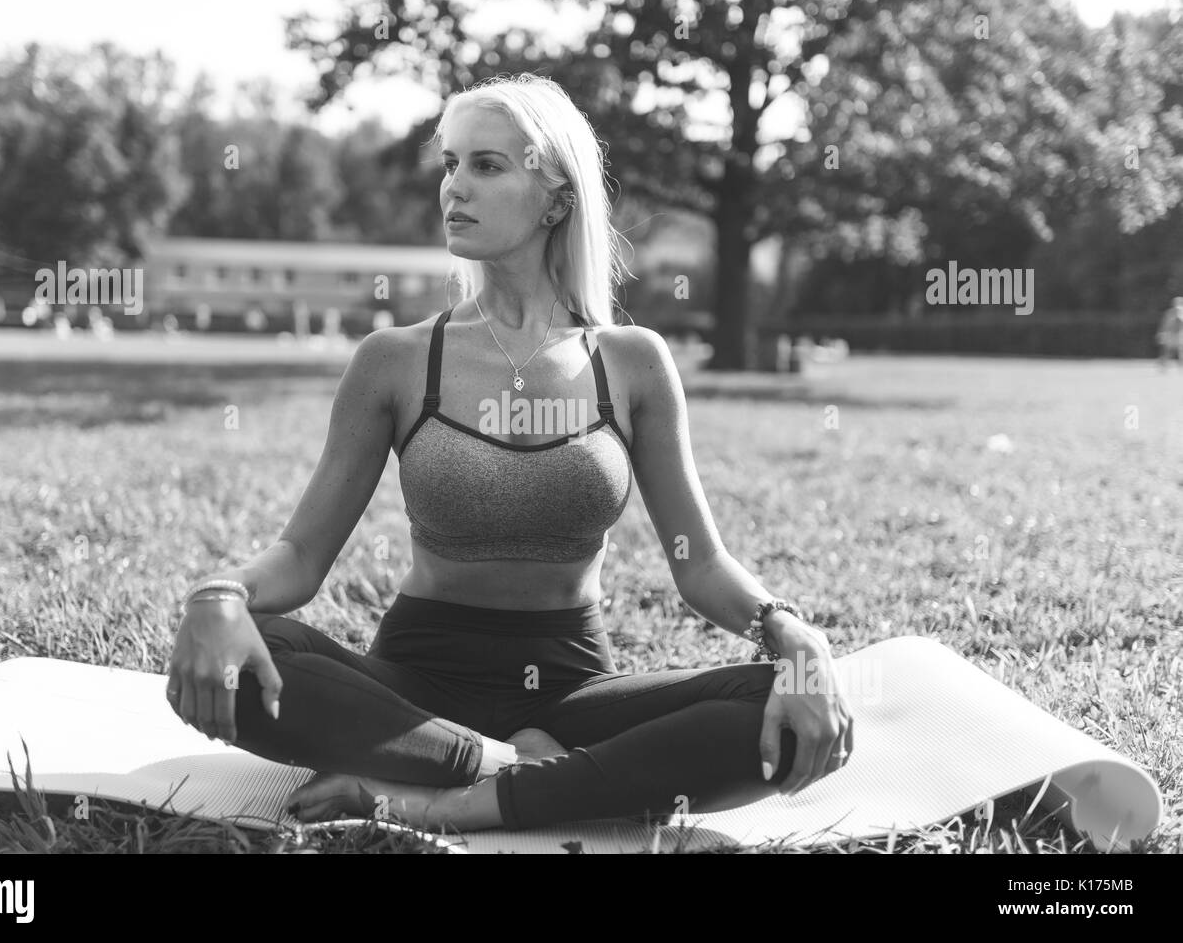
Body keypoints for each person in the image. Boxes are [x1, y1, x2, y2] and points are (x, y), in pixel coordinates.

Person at [165, 73, 853, 833]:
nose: (454, 187)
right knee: (237, 658)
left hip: (569, 694)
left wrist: (791, 633)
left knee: (777, 707)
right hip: (409, 690)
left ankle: (430, 798)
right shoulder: (395, 359)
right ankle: (508, 771)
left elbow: (699, 564)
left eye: (486, 166)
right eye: (450, 164)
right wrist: (218, 599)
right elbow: (299, 554)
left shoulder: (631, 362)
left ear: (557, 198)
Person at [1157, 297, 1183, 371]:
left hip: (1179, 335)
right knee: (1167, 352)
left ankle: (1181, 368)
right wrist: (1161, 333)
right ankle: (1163, 367)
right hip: (1170, 335)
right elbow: (1164, 324)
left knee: (1180, 352)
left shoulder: (1181, 312)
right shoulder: (1169, 313)